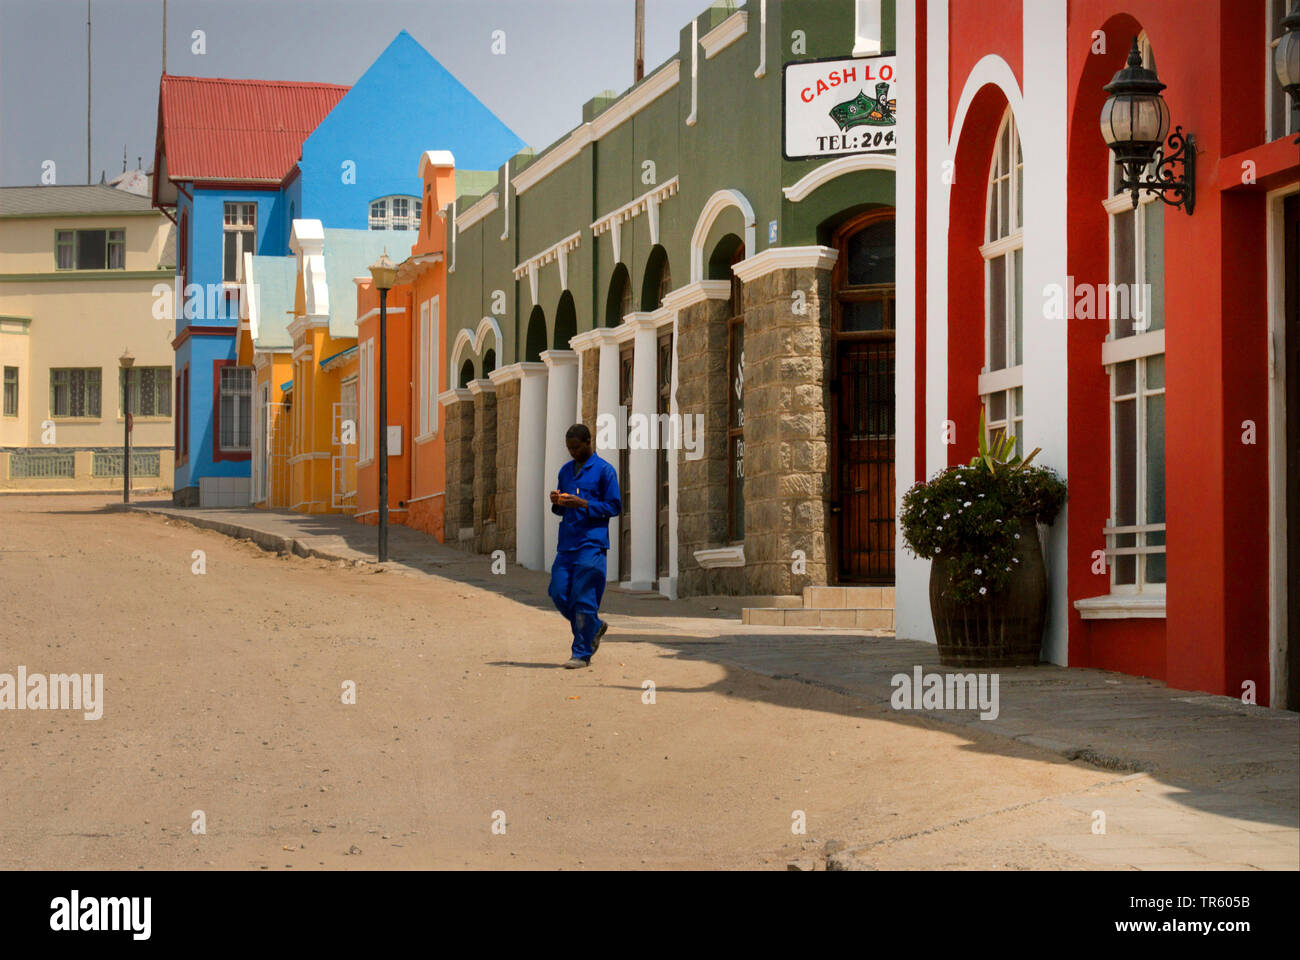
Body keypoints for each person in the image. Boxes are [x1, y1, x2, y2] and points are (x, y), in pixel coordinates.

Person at [548, 423, 621, 669]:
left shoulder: (605, 471)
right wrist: (557, 502)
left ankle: (580, 653)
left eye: (576, 447)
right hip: (567, 544)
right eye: (569, 448)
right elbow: (560, 509)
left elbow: (614, 506)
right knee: (557, 592)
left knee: (584, 598)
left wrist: (583, 503)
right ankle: (594, 627)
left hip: (592, 543)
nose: (572, 452)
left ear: (589, 442)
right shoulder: (566, 471)